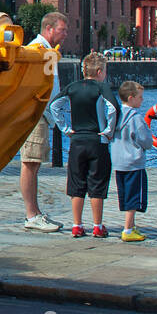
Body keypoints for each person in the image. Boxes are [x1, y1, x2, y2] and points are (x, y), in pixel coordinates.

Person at [48, 52, 120, 238]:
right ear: (98, 71)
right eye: (104, 70)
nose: (105, 74)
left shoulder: (73, 87)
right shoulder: (101, 88)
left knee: (76, 183)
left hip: (77, 139)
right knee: (97, 183)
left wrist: (65, 128)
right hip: (97, 140)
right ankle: (97, 226)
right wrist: (109, 131)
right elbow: (113, 108)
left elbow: (54, 105)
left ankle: (77, 225)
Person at [21, 11, 69, 232]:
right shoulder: (41, 52)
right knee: (30, 163)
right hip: (36, 113)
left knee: (35, 163)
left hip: (41, 112)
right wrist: (52, 115)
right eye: (62, 29)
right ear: (49, 29)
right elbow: (46, 87)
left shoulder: (47, 52)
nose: (65, 34)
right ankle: (32, 215)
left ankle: (36, 212)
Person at [110, 80, 151, 242]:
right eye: (140, 97)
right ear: (132, 97)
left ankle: (131, 226)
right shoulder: (136, 119)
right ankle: (127, 229)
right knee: (134, 196)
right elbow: (146, 141)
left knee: (125, 195)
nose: (142, 100)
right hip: (134, 163)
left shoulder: (115, 115)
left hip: (118, 162)